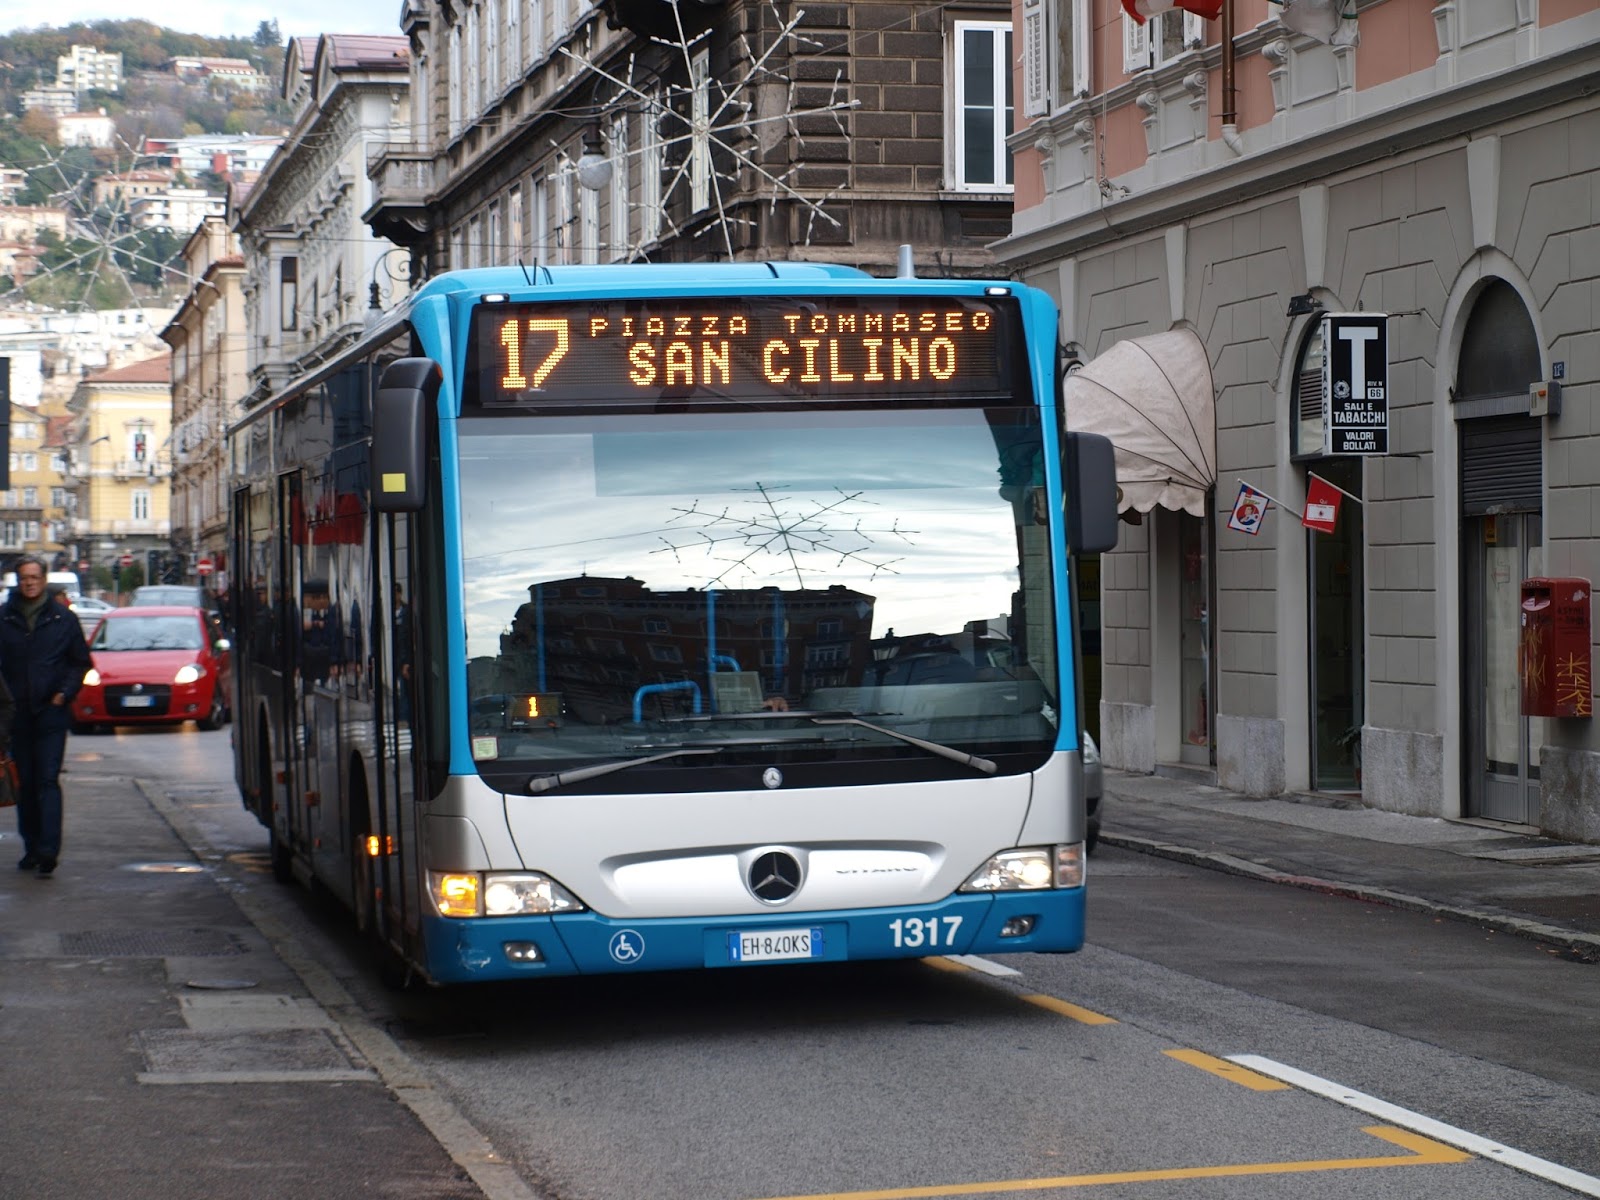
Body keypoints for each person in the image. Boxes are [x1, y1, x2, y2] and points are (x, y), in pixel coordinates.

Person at [1, 557, 91, 878]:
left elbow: (80, 662)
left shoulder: (62, 618)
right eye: (24, 578)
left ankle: (49, 850)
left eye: (34, 577)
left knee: (47, 779)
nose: (29, 583)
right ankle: (32, 846)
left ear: (44, 579)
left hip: (51, 711)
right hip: (16, 714)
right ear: (18, 581)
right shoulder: (4, 617)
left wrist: (63, 693)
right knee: (24, 783)